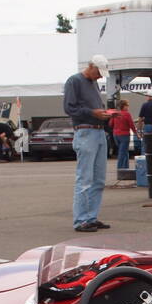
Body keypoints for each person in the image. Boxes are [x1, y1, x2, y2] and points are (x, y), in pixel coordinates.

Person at [63, 54, 113, 232]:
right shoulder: (74, 81)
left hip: (97, 131)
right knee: (85, 178)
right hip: (86, 130)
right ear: (91, 66)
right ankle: (81, 220)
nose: (100, 76)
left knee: (98, 179)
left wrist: (103, 115)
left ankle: (90, 217)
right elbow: (69, 108)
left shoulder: (91, 83)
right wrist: (94, 113)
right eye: (99, 72)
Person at [109, 100, 139, 181]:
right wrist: (137, 134)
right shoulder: (127, 114)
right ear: (124, 106)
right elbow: (131, 125)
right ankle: (120, 171)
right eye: (127, 105)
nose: (128, 107)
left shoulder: (116, 114)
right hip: (124, 135)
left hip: (116, 135)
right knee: (122, 153)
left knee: (124, 152)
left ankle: (126, 168)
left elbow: (110, 124)